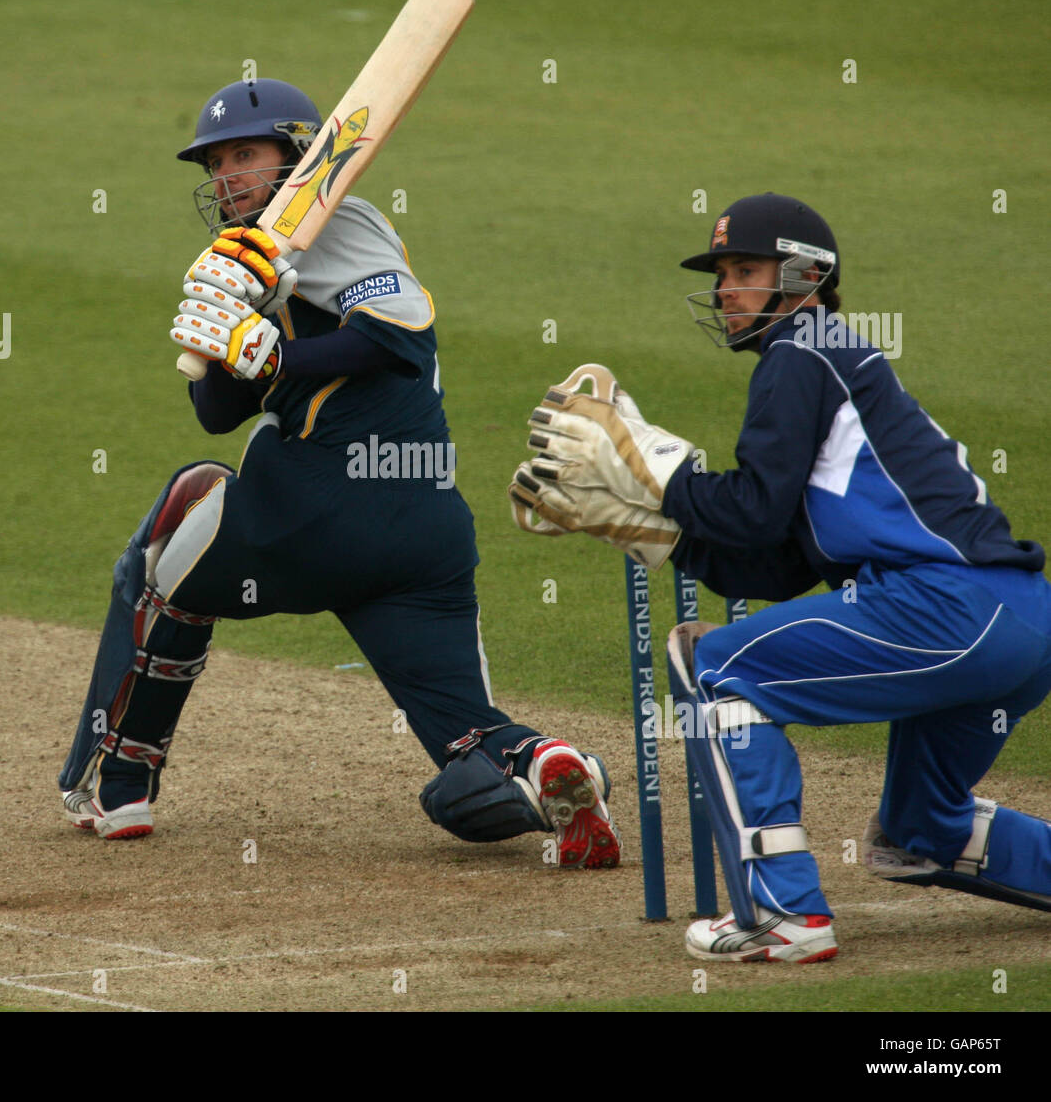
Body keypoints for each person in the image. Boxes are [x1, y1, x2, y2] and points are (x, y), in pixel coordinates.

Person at [56, 78, 621, 870]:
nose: (226, 176)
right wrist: (229, 324)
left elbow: (402, 334)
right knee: (464, 744)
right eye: (216, 162)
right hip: (421, 532)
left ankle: (118, 783)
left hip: (311, 512)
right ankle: (550, 768)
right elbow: (219, 408)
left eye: (244, 155)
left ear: (300, 154)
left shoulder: (340, 223)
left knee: (175, 529)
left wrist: (274, 348)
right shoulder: (246, 259)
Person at [511, 192, 1051, 959]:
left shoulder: (801, 351)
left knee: (715, 666)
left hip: (949, 607)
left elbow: (755, 507)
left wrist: (654, 472)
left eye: (745, 269)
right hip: (1017, 623)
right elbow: (779, 563)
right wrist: (650, 532)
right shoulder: (830, 356)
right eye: (723, 272)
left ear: (801, 273)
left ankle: (785, 914)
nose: (727, 289)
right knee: (918, 830)